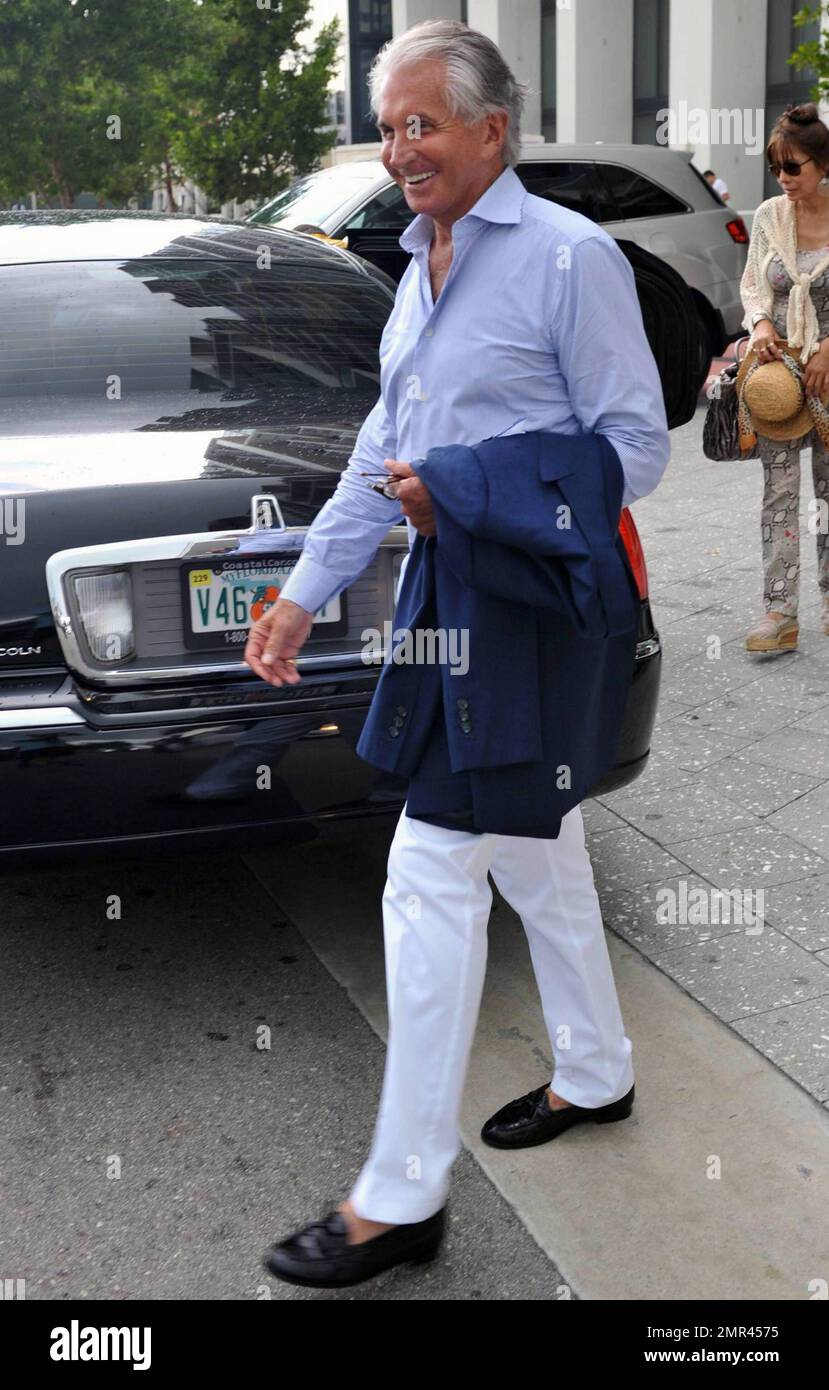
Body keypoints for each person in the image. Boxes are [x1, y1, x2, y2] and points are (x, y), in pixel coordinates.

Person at [245, 19, 670, 1289]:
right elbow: (385, 451)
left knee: (429, 872)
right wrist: (304, 592)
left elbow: (634, 448)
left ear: (493, 128)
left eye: (422, 124)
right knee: (538, 850)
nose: (400, 150)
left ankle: (400, 1195)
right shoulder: (417, 268)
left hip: (530, 611)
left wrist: (472, 488)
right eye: (389, 128)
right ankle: (596, 1071)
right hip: (450, 594)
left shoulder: (569, 257)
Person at [739, 101, 829, 652]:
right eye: (776, 168)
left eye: (793, 167)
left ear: (823, 164)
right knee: (779, 494)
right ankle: (780, 613)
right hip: (779, 378)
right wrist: (762, 324)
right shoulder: (769, 215)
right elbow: (754, 283)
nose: (783, 178)